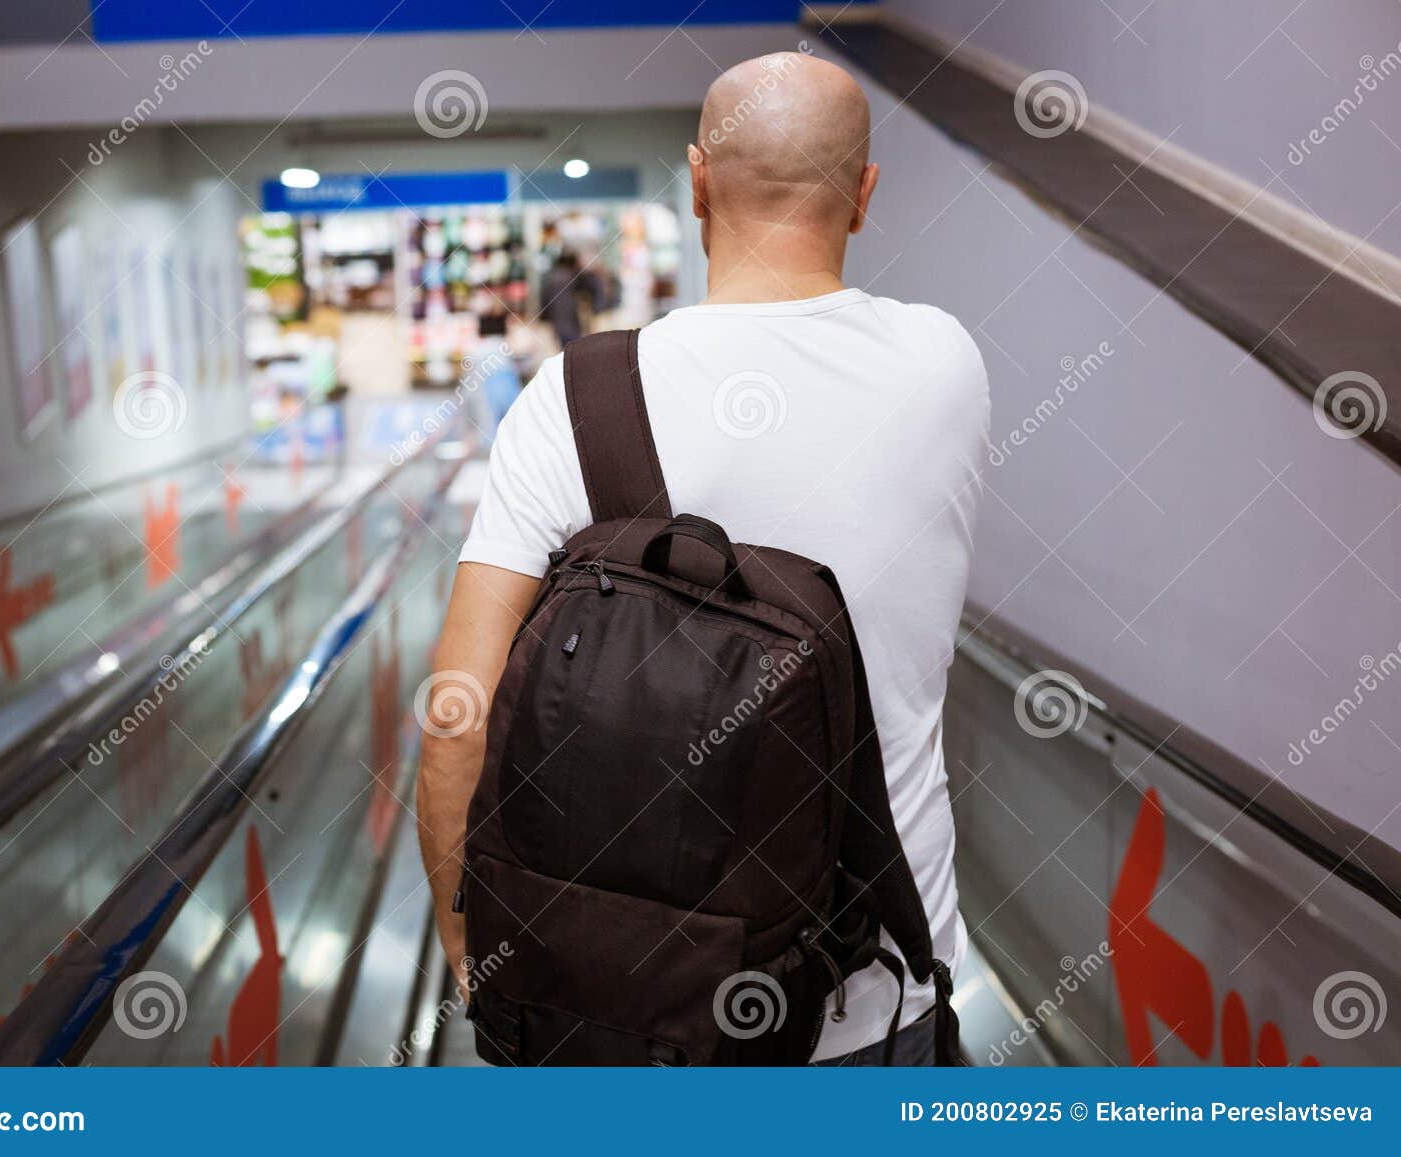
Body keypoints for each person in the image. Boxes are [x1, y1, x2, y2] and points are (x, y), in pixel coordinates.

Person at [417, 50, 988, 1066]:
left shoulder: (572, 397)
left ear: (694, 182)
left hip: (625, 1020)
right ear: (863, 196)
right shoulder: (943, 366)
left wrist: (472, 950)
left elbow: (458, 713)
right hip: (868, 1010)